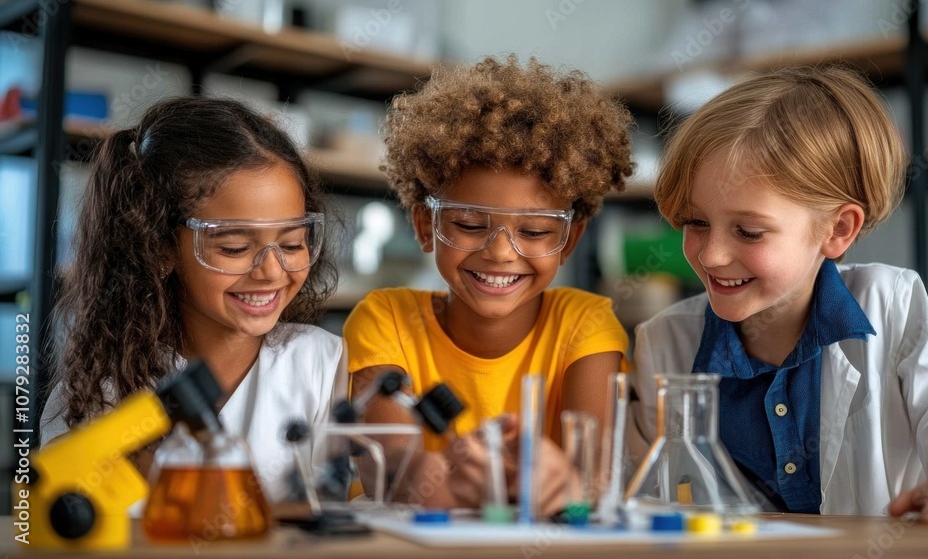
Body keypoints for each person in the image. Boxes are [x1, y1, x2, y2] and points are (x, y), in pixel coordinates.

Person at [632, 66, 928, 522]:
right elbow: (653, 497)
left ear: (837, 230)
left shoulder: (891, 303)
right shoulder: (665, 342)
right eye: (696, 222)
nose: (711, 255)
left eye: (748, 231)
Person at [343, 55, 635, 514]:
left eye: (535, 232)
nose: (501, 253)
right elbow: (390, 473)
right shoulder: (386, 319)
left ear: (568, 239)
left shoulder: (585, 324)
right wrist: (468, 478)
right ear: (424, 226)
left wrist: (563, 479)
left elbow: (593, 478)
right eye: (468, 224)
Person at [40, 96, 347, 503]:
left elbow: (360, 510)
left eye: (292, 243)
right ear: (159, 246)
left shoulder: (326, 367)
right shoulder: (98, 396)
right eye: (235, 248)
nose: (272, 271)